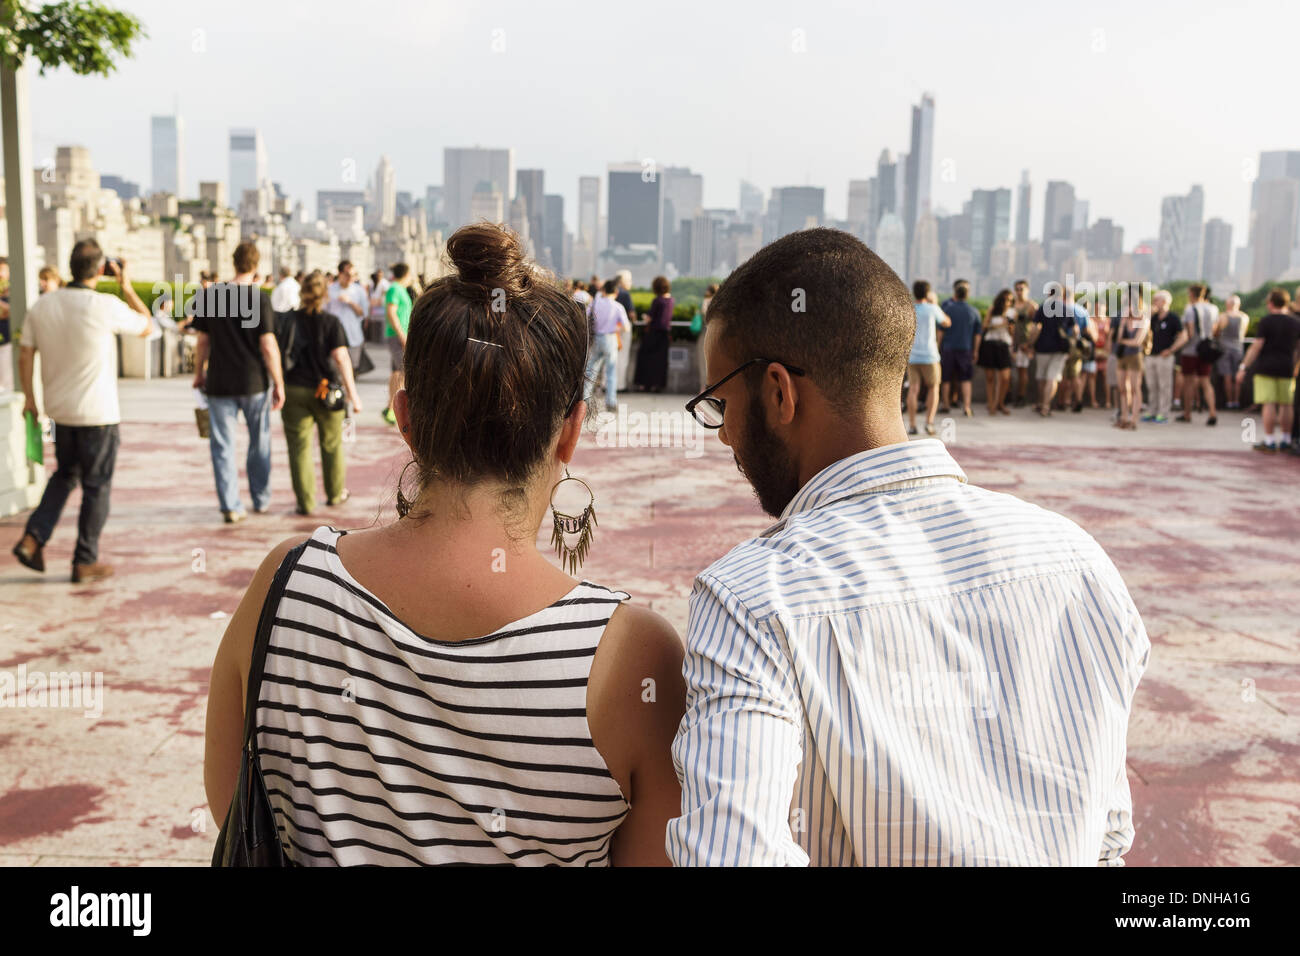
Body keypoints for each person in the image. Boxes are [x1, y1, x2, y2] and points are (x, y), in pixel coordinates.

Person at [204, 222, 685, 865]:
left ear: (404, 418)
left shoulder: (286, 584)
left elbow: (230, 803)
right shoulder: (634, 656)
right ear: (571, 431)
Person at [673, 227, 1149, 866]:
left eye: (719, 406)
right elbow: (1106, 840)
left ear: (779, 392)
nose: (725, 435)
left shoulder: (752, 600)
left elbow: (729, 856)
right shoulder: (1076, 561)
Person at [11, 241, 153, 582]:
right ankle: (84, 560)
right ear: (100, 269)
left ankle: (33, 539)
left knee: (64, 475)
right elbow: (147, 325)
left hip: (59, 414)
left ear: (71, 266)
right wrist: (126, 286)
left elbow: (25, 354)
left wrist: (31, 398)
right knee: (96, 486)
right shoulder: (104, 305)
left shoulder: (43, 305)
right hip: (98, 415)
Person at [191, 241, 285, 523]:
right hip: (254, 381)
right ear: (256, 266)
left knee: (222, 445)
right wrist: (278, 382)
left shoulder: (213, 296)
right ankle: (261, 498)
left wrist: (198, 372)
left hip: (220, 382)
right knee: (260, 441)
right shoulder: (259, 299)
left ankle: (231, 505)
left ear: (234, 262)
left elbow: (203, 341)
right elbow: (268, 345)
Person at [279, 270, 361, 514]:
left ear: (302, 293)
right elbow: (342, 358)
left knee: (299, 448)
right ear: (325, 294)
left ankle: (305, 502)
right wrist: (353, 394)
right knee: (332, 444)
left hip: (293, 389)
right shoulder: (331, 322)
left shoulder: (287, 321)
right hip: (327, 392)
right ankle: (335, 494)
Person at [1236, 288, 1300, 453]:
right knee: (1287, 404)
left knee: (1269, 403)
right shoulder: (1295, 322)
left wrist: (1244, 367)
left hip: (1266, 367)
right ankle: (1286, 439)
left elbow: (1256, 346)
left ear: (1270, 303)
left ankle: (1270, 440)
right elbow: (1297, 349)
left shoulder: (1266, 321)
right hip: (1287, 367)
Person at [1030, 281, 1087, 417]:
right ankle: (1046, 406)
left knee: (1042, 377)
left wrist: (1030, 344)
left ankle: (1040, 403)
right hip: (1060, 348)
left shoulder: (1043, 307)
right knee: (1052, 378)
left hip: (1042, 347)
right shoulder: (1067, 309)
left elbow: (1035, 328)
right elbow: (1075, 330)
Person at [906, 280, 949, 436]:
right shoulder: (932, 308)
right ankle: (929, 423)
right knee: (933, 388)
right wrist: (934, 302)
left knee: (913, 389)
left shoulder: (909, 308)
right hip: (930, 355)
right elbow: (947, 322)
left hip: (912, 355)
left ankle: (912, 425)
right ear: (927, 292)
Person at [584, 279, 631, 414]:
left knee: (590, 370)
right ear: (616, 292)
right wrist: (616, 328)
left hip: (596, 338)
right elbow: (626, 327)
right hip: (610, 339)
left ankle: (584, 400)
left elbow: (586, 317)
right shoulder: (618, 307)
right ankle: (611, 402)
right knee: (611, 372)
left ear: (603, 290)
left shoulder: (595, 303)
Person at [1176, 283, 1219, 425]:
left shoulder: (1190, 309)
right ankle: (1212, 412)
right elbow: (1215, 330)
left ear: (1192, 294)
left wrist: (1175, 347)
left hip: (1191, 350)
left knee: (1188, 383)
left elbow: (1190, 333)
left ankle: (1187, 413)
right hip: (1206, 349)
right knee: (1206, 382)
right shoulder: (1213, 309)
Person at [938, 279, 980, 416]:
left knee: (946, 378)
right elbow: (977, 334)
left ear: (955, 293)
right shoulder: (974, 311)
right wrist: (976, 350)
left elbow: (940, 331)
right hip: (965, 348)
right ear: (967, 295)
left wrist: (938, 346)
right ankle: (967, 407)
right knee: (966, 378)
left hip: (948, 348)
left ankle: (945, 404)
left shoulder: (947, 309)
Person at [1141, 290, 1183, 424]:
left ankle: (1163, 413)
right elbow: (1141, 324)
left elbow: (1183, 336)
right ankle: (1152, 410)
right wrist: (1149, 312)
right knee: (1151, 385)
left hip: (1164, 357)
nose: (1154, 303)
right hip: (1151, 355)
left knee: (1164, 385)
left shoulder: (1173, 318)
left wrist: (1171, 350)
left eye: (1156, 300)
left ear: (1164, 302)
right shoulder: (1153, 318)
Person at [382, 263, 415, 425]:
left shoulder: (400, 289)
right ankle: (393, 410)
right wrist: (402, 336)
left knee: (396, 371)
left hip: (400, 335)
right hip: (397, 336)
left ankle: (389, 408)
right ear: (406, 273)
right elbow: (391, 313)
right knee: (403, 372)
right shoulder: (395, 289)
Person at [1113, 284, 1150, 431]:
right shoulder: (1123, 319)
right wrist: (1122, 324)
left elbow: (1137, 342)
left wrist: (1122, 341)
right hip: (1122, 355)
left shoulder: (1143, 319)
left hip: (1135, 356)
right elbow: (1118, 338)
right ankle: (1123, 417)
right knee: (1122, 388)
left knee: (1135, 388)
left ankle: (1133, 419)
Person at [325, 259, 369, 372]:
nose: (351, 278)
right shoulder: (330, 290)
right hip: (334, 336)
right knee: (334, 370)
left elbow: (364, 313)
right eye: (347, 274)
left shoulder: (359, 291)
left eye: (354, 275)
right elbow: (324, 313)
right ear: (340, 274)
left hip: (353, 336)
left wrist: (350, 303)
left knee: (351, 370)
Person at [977, 288, 1015, 415]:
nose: (1007, 302)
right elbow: (984, 326)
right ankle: (991, 404)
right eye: (1005, 299)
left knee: (1005, 377)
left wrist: (1009, 326)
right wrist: (999, 325)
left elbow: (1012, 333)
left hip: (1004, 344)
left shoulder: (1012, 312)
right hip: (990, 344)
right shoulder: (993, 310)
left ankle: (1000, 403)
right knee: (990, 377)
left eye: (1010, 300)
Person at [633, 275, 673, 392]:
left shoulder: (657, 300)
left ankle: (645, 385)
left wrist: (645, 317)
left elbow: (649, 318)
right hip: (665, 335)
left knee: (646, 359)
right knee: (660, 361)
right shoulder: (671, 300)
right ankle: (658, 385)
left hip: (653, 334)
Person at [1214, 294, 1249, 409]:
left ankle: (1229, 401)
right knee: (1237, 377)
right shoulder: (1244, 317)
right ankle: (1236, 401)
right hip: (1238, 349)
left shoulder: (1223, 316)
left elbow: (1216, 332)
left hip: (1224, 349)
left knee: (1227, 377)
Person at [1010, 279, 1038, 406]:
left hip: (1024, 342)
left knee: (1022, 371)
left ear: (1027, 290)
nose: (1019, 292)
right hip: (1011, 341)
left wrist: (1030, 343)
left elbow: (1037, 326)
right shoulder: (1011, 305)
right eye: (1017, 289)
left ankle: (1021, 396)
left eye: (1022, 289)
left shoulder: (1031, 306)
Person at [614, 270, 637, 392]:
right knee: (622, 357)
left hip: (611, 329)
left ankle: (607, 385)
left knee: (611, 357)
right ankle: (620, 385)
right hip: (623, 329)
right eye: (629, 280)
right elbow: (631, 314)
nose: (630, 283)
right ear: (622, 281)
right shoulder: (625, 294)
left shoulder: (612, 292)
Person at [367, 269, 390, 343]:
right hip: (374, 305)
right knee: (375, 323)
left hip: (380, 305)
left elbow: (384, 294)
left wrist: (378, 301)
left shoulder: (384, 283)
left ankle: (381, 340)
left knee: (381, 323)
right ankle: (375, 339)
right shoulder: (372, 283)